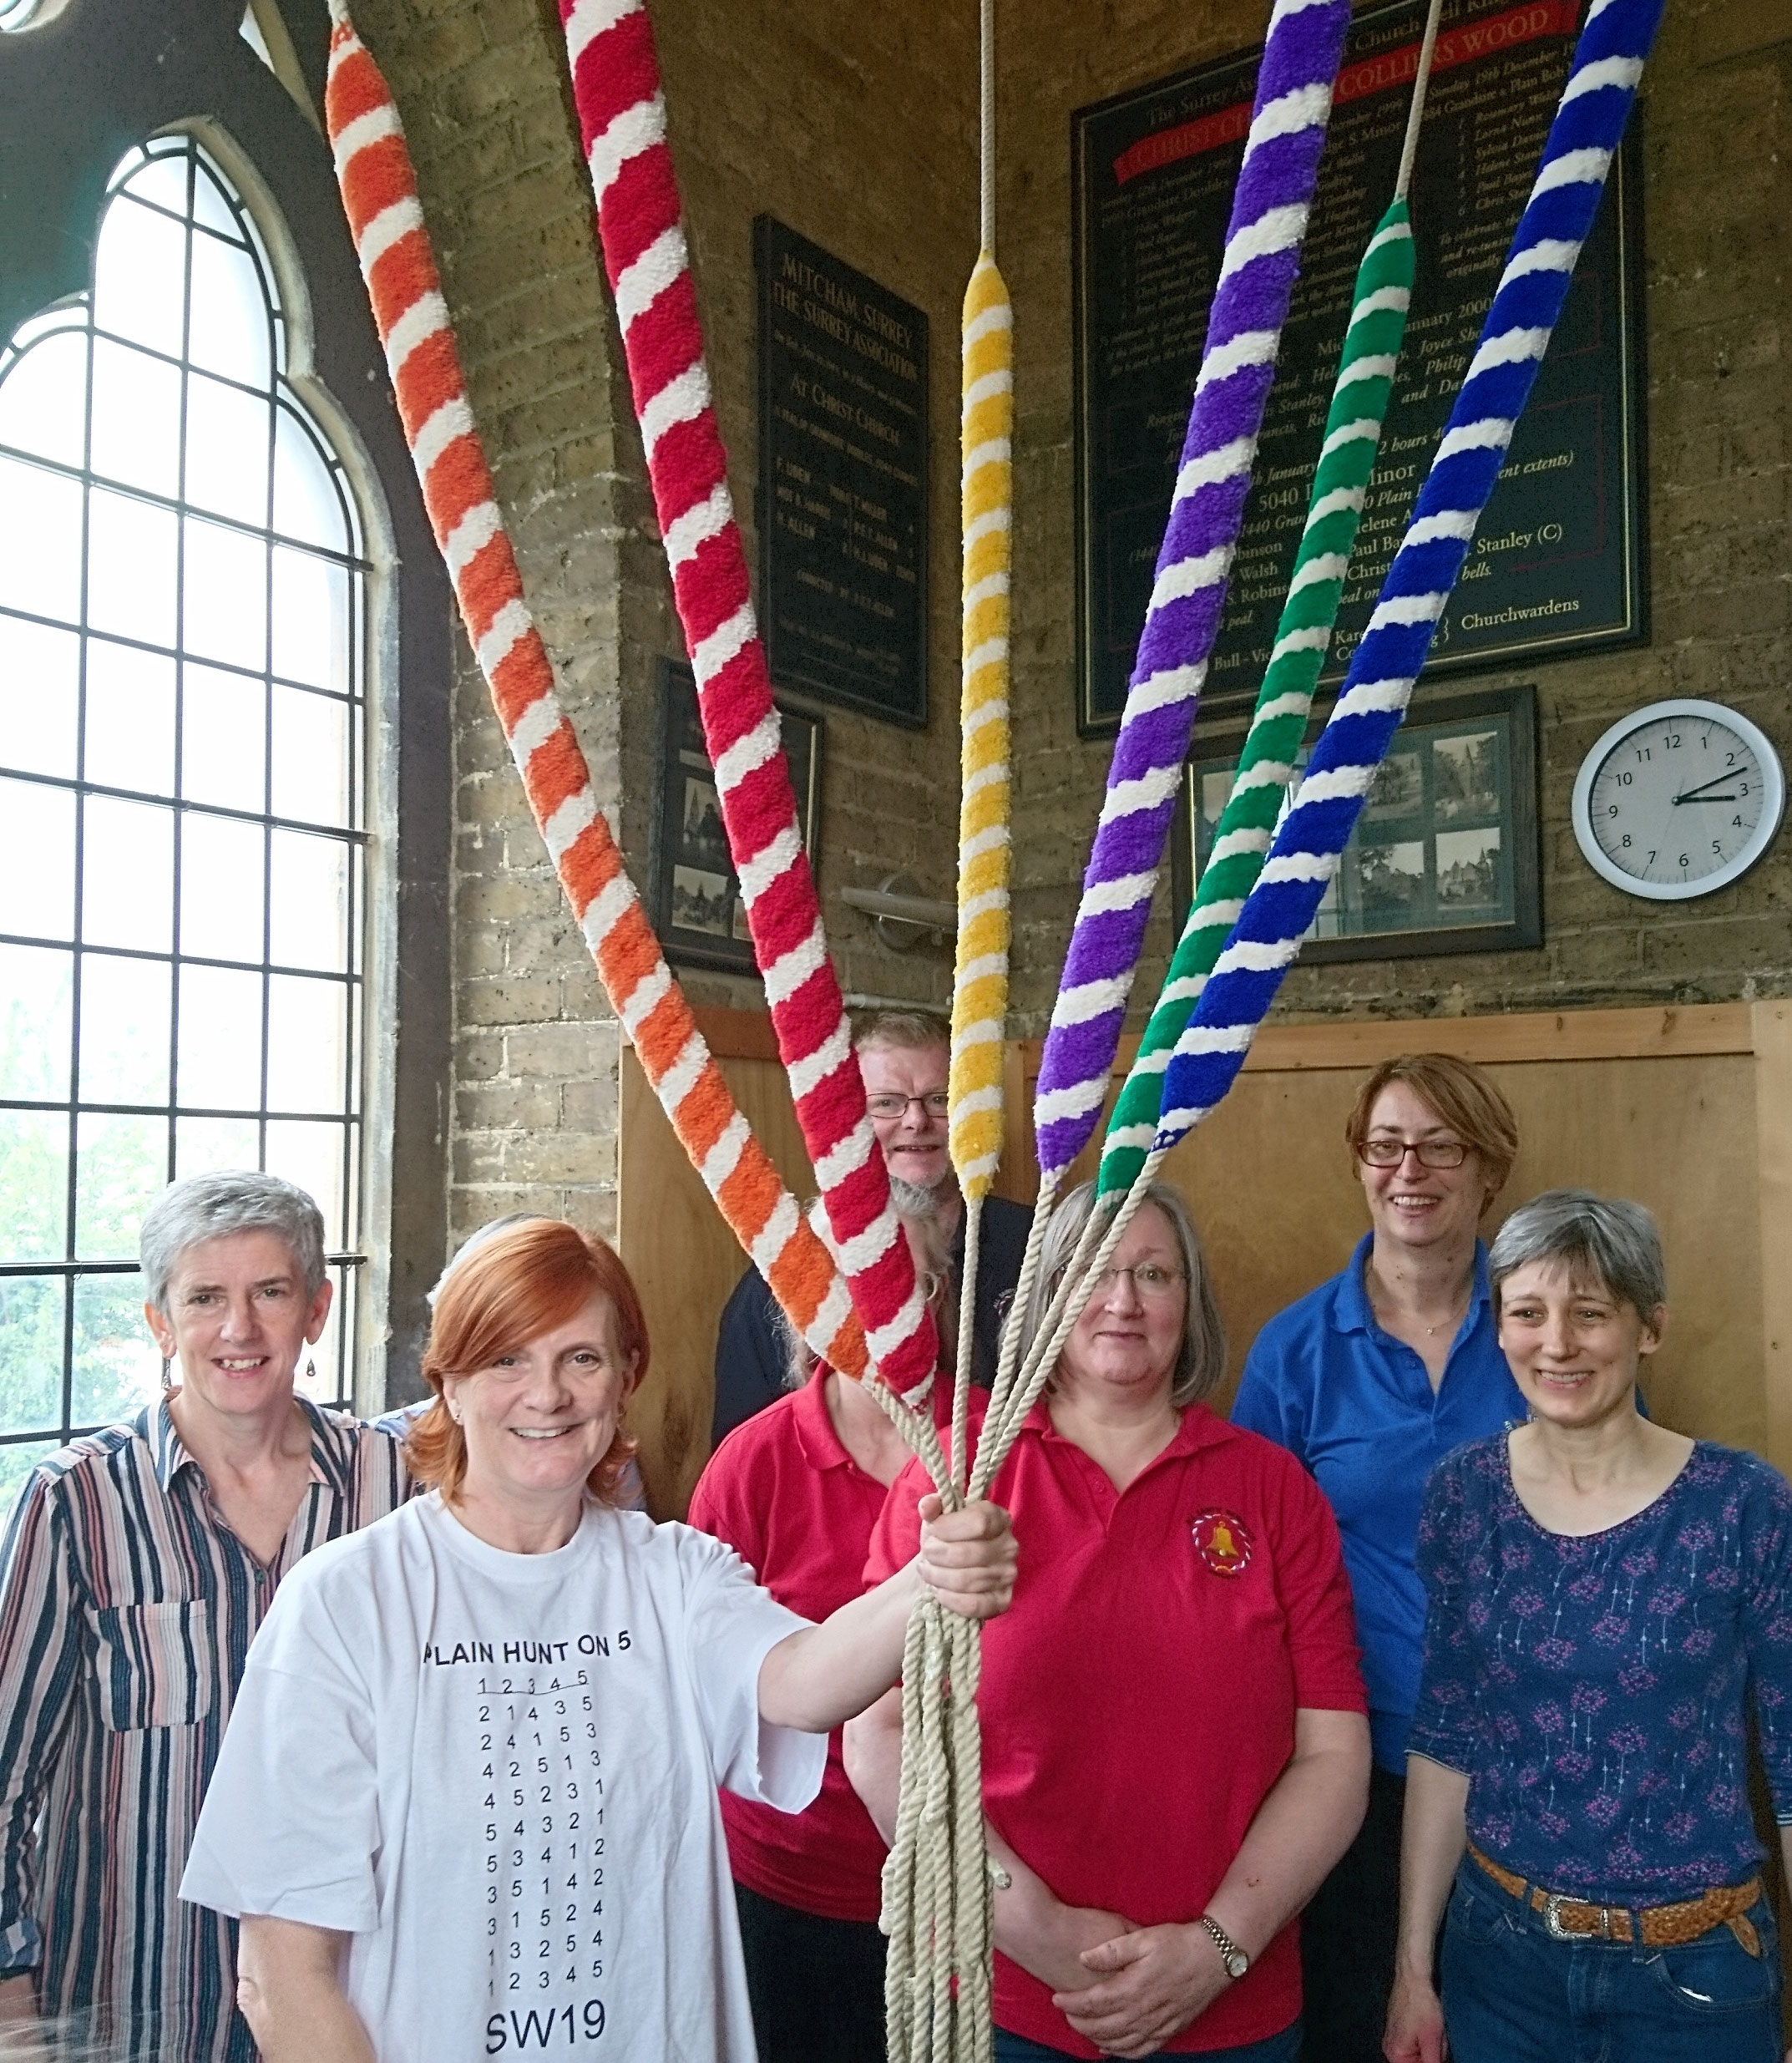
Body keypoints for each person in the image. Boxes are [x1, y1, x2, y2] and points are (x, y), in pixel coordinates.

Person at [177, 1219, 1017, 2063]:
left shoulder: (675, 1573)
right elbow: (282, 1969)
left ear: (625, 1379)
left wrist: (928, 1578)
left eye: (581, 1357)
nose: (547, 1395)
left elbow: (801, 1684)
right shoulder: (344, 1603)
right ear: (451, 1384)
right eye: (507, 1358)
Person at [849, 1180, 1370, 2061]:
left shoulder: (1272, 1489)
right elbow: (883, 1734)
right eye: (1095, 1272)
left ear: (1189, 1302)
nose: (1123, 1300)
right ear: (1047, 1295)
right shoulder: (963, 1468)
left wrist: (1217, 1944)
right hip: (1001, 1994)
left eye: (1154, 1274)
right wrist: (1032, 1925)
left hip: (1230, 2008)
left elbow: (1333, 1755)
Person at [0, 1171, 410, 2063]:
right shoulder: (75, 1505)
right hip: (130, 2011)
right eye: (205, 1298)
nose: (240, 1329)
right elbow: (2, 1780)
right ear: (159, 1321)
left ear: (317, 1309)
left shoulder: (396, 1489)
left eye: (270, 1292)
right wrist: (10, 2009)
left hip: (347, 2010)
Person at [1384, 1190, 1792, 2063]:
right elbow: (1446, 1731)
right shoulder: (1464, 1496)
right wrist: (1413, 1967)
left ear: (1649, 1327)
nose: (1557, 1343)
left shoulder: (1741, 1505)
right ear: (1499, 1328)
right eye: (1527, 1313)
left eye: (1590, 1313)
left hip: (1697, 1977)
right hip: (1500, 1959)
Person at [1229, 1053, 1525, 2063]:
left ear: (1489, 1168)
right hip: (1356, 1768)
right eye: (1387, 1145)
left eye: (1441, 1146)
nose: (1412, 1169)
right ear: (1360, 1165)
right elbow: (1243, 1567)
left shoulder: (1546, 1328)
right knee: (1368, 2031)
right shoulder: (1296, 1350)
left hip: (1532, 1764)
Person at [688, 1209, 959, 2062]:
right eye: (849, 1280)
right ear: (806, 1299)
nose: (876, 1308)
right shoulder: (752, 1462)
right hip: (784, 1885)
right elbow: (703, 1691)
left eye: (899, 1281)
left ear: (936, 1298)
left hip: (967, 1886)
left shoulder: (1001, 1442)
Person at [711, 1012, 1030, 1447]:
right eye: (886, 1103)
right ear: (848, 1123)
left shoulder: (1036, 1244)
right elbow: (747, 1452)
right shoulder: (790, 1273)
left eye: (940, 1100)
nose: (917, 1121)